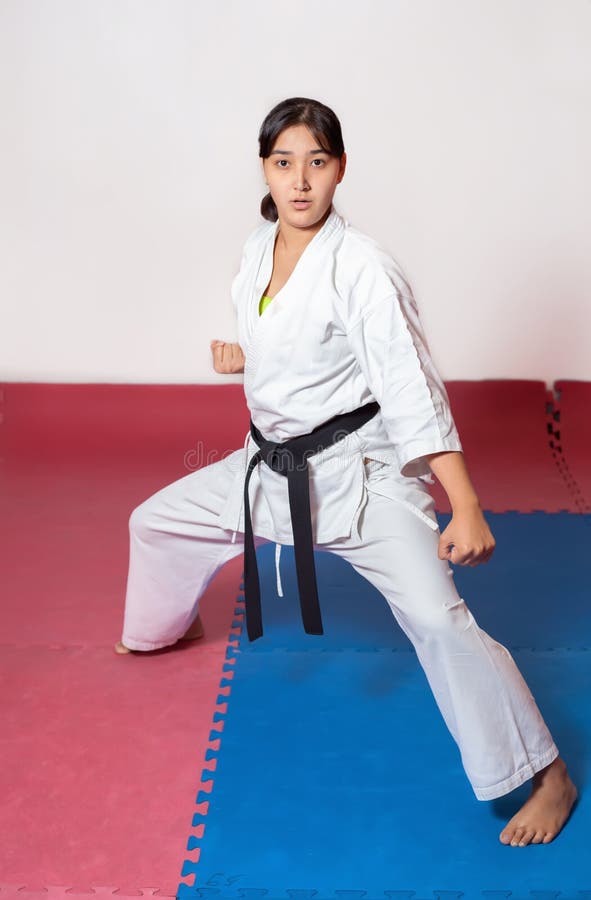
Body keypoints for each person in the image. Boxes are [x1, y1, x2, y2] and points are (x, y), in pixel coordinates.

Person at [115, 96, 577, 846]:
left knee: (436, 619)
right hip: (269, 469)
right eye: (283, 162)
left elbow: (410, 387)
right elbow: (281, 336)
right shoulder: (257, 247)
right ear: (263, 168)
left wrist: (464, 504)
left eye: (317, 162)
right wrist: (239, 353)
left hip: (356, 480)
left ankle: (547, 774)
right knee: (155, 521)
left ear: (340, 169)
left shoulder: (363, 267)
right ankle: (159, 627)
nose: (300, 182)